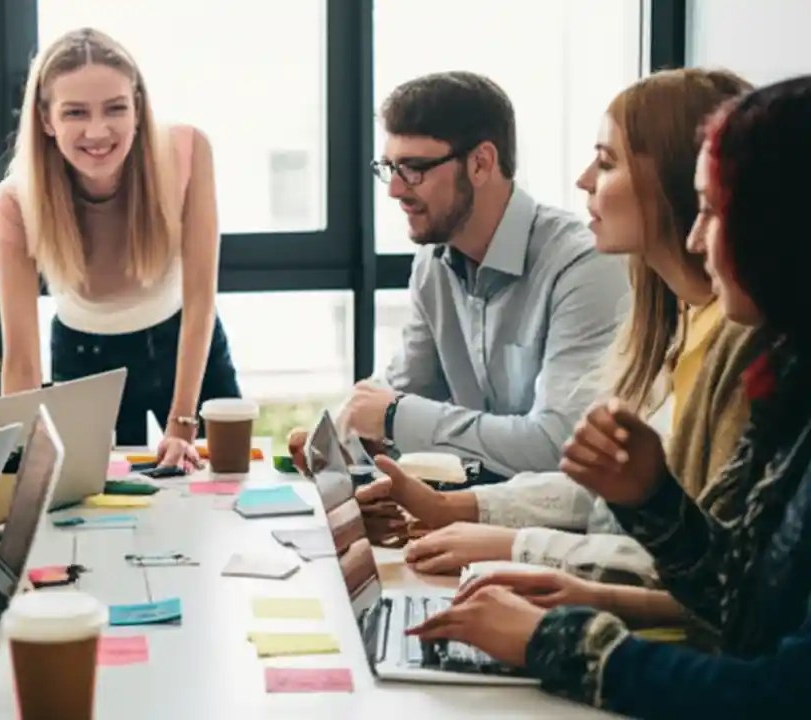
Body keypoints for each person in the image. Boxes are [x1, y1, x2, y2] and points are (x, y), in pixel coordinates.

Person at [410, 75, 811, 718]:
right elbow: (744, 603)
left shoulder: (750, 358)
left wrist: (554, 634)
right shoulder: (783, 378)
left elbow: (780, 692)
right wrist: (650, 501)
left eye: (713, 210)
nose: (698, 238)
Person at [354, 69, 756, 588]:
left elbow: (707, 572)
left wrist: (516, 545)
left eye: (607, 162)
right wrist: (446, 504)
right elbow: (605, 491)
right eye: (390, 168)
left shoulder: (597, 271)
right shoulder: (672, 322)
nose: (583, 179)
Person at [292, 71, 630, 481]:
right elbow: (402, 388)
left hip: (553, 529)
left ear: (481, 163)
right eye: (389, 167)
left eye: (413, 168)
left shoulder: (584, 265)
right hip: (469, 515)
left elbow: (558, 445)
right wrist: (337, 436)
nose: (395, 190)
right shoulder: (433, 264)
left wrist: (396, 415)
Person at [0, 28, 241, 468]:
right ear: (47, 120)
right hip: (86, 359)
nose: (97, 131)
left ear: (138, 109)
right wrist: (17, 463)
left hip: (183, 340)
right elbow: (23, 360)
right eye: (75, 113)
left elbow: (202, 298)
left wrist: (182, 422)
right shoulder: (14, 203)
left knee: (219, 487)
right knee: (88, 501)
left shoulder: (187, 151)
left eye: (115, 109)